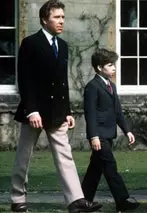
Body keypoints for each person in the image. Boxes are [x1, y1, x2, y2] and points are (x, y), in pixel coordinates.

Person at [11, 1, 102, 213]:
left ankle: (76, 201)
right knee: (24, 157)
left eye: (63, 17)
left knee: (65, 156)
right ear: (44, 19)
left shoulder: (63, 46)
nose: (61, 21)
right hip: (33, 112)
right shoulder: (30, 43)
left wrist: (68, 111)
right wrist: (32, 110)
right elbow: (25, 80)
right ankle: (17, 199)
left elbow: (62, 83)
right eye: (57, 17)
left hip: (57, 111)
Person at [81, 48, 140, 212]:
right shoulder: (92, 87)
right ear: (99, 67)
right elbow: (90, 114)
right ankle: (123, 200)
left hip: (109, 133)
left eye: (114, 64)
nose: (114, 68)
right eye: (110, 65)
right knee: (110, 166)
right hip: (99, 135)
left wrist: (127, 130)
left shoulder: (111, 85)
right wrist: (93, 136)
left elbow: (118, 111)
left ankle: (83, 201)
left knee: (96, 169)